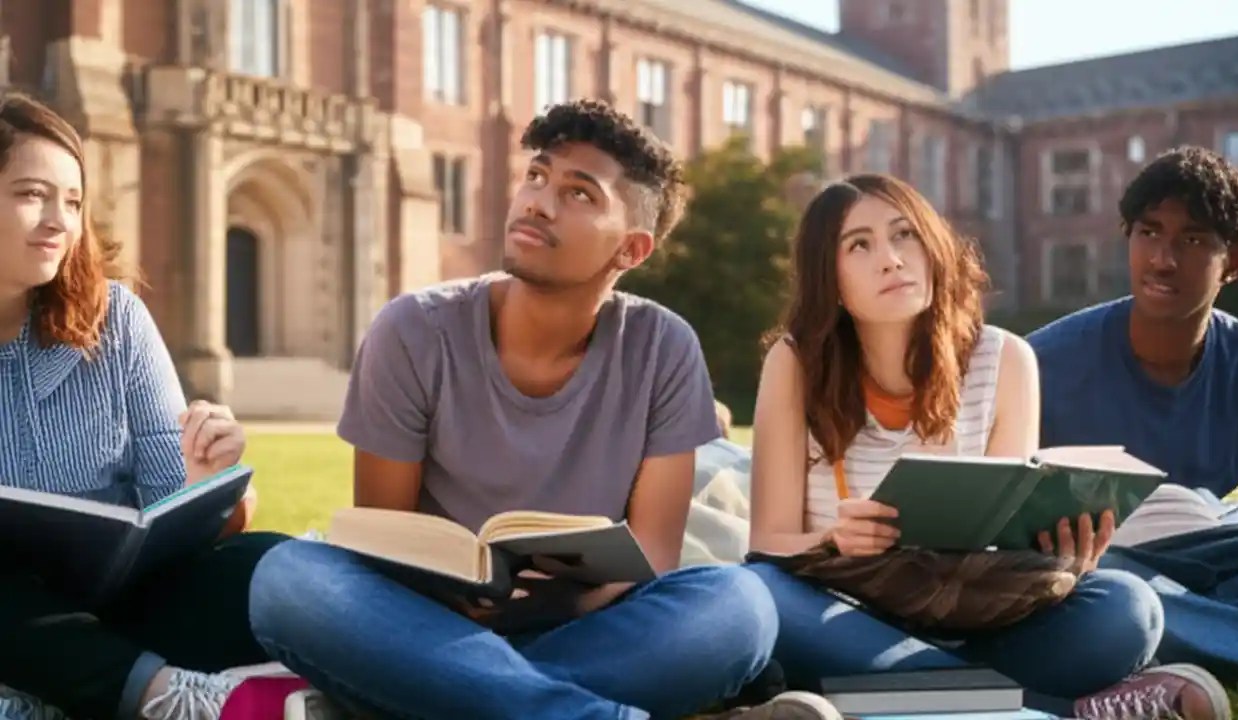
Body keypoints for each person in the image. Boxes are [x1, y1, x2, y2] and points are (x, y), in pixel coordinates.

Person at [247, 100, 841, 720]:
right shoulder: (413, 330)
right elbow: (383, 541)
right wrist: (458, 603)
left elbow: (653, 558)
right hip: (426, 625)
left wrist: (568, 602)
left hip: (583, 631)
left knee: (739, 604)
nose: (538, 201)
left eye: (579, 194)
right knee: (290, 577)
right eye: (537, 175)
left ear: (632, 250)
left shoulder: (663, 347)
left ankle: (419, 704)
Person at [743, 173, 1229, 720]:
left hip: (976, 617)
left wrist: (1065, 556)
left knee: (1127, 609)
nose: (891, 259)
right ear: (828, 278)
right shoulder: (795, 362)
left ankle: (881, 701)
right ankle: (1048, 709)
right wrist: (832, 538)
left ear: (932, 247)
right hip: (844, 613)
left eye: (904, 235)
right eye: (859, 244)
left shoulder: (1005, 359)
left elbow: (1002, 536)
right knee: (755, 594)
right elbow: (768, 543)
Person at [0, 92, 289, 720]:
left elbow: (177, 510)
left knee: (281, 563)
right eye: (31, 195)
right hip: (12, 619)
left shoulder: (118, 319)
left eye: (72, 202)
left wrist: (211, 481)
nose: (58, 220)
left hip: (132, 607)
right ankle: (169, 699)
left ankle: (54, 697)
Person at [1029, 145, 1238, 681]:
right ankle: (1231, 643)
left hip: (1214, 563)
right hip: (1094, 568)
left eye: (1191, 240)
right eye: (1149, 232)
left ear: (1233, 262)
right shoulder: (1042, 362)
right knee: (1112, 596)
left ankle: (1195, 640)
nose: (1163, 259)